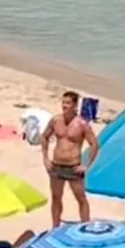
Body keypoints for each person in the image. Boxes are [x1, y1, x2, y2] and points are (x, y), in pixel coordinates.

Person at [39, 91, 98, 226]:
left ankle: (85, 226)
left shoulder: (82, 124)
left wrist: (86, 165)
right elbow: (44, 137)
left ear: (75, 105)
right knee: (56, 198)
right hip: (56, 165)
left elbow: (94, 144)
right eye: (63, 102)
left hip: (74, 167)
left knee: (81, 198)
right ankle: (55, 226)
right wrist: (45, 158)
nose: (64, 106)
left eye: (68, 103)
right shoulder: (56, 120)